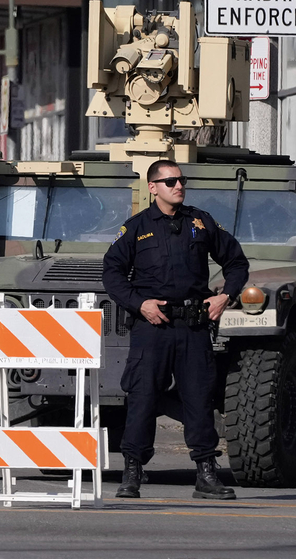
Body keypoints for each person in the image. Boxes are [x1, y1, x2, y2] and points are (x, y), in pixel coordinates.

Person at [102, 158, 249, 501]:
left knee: (199, 399)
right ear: (153, 187)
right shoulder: (136, 228)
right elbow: (112, 273)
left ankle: (206, 473)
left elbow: (236, 262)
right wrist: (140, 304)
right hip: (153, 327)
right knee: (143, 398)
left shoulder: (201, 222)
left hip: (194, 327)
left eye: (181, 180)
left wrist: (225, 296)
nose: (178, 186)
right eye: (170, 182)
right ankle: (133, 471)